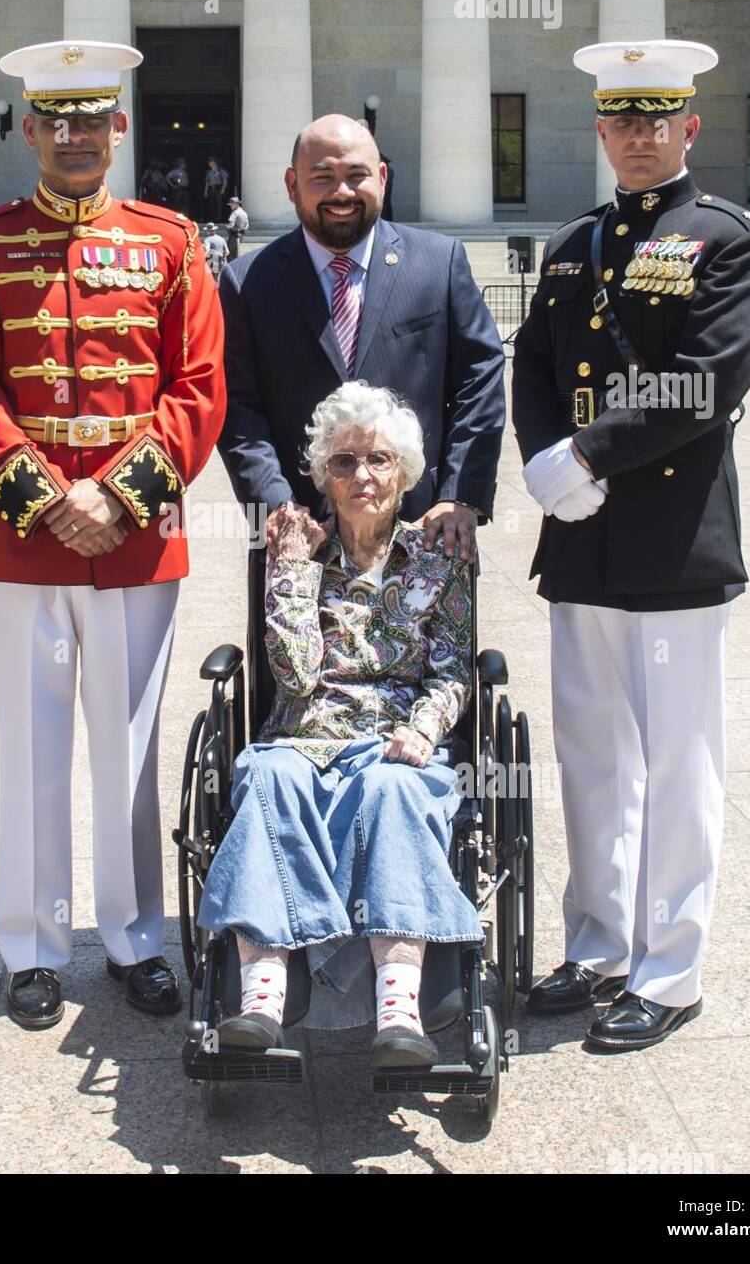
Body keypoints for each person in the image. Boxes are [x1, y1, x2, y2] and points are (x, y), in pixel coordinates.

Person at [0, 40, 226, 1030]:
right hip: (23, 541)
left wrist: (118, 496)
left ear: (118, 127)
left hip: (136, 539)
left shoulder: (171, 241)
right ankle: (31, 942)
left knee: (131, 747)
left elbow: (199, 388)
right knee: (33, 746)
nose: (72, 137)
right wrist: (49, 497)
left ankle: (138, 936)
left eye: (89, 119)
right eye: (53, 120)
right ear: (29, 129)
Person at [512, 40, 750, 1050]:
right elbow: (535, 361)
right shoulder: (576, 241)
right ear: (601, 130)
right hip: (581, 539)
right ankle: (596, 946)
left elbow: (708, 380)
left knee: (678, 758)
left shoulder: (730, 240)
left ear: (688, 129)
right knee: (592, 755)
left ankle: (669, 970)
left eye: (655, 120)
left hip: (671, 533)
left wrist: (584, 455)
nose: (637, 137)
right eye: (621, 120)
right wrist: (543, 456)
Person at [197, 383, 481, 1069]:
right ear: (323, 473)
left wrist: (423, 728)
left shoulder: (440, 559)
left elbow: (450, 674)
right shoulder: (299, 553)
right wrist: (291, 572)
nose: (363, 476)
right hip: (303, 735)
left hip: (395, 739)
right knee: (265, 777)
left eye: (379, 460)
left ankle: (399, 1008)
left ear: (405, 473)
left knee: (396, 789)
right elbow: (294, 677)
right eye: (345, 462)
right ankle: (262, 998)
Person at [218, 114, 505, 565]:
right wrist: (272, 504)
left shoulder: (440, 263)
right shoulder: (246, 281)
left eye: (357, 176)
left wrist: (460, 497)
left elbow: (480, 380)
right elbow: (237, 408)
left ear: (383, 178)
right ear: (292, 185)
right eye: (323, 177)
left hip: (425, 533)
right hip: (296, 537)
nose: (342, 193)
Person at [203, 155, 228, 221]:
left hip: (219, 189)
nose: (210, 164)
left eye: (211, 162)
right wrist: (205, 191)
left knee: (219, 204)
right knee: (212, 204)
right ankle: (213, 218)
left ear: (214, 163)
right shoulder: (209, 172)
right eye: (209, 162)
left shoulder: (221, 170)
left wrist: (223, 189)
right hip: (212, 189)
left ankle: (219, 218)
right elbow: (207, 182)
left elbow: (225, 179)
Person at [225, 195, 249, 260]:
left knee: (231, 255)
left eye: (231, 204)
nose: (230, 206)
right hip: (240, 235)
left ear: (236, 204)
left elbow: (231, 225)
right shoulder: (244, 213)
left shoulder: (235, 213)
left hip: (234, 236)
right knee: (237, 253)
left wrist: (227, 226)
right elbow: (247, 226)